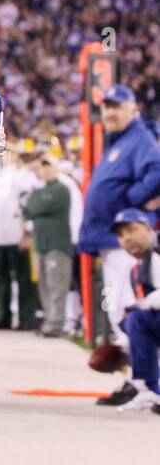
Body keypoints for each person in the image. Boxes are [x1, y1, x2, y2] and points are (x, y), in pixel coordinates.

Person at [77, 85, 160, 406]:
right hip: (108, 240)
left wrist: (129, 206)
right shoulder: (120, 143)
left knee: (127, 309)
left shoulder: (139, 139)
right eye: (106, 106)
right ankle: (135, 379)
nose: (109, 112)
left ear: (133, 109)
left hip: (123, 241)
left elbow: (156, 172)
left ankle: (143, 382)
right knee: (118, 310)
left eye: (116, 106)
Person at [108, 208, 160, 412]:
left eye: (131, 230)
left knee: (137, 319)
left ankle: (149, 388)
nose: (126, 239)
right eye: (121, 235)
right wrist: (121, 347)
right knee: (130, 322)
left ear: (148, 228)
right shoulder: (137, 267)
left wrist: (141, 306)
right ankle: (148, 389)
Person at [0, 149, 38, 330]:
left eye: (7, 153)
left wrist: (28, 231)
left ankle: (26, 317)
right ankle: (2, 316)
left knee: (23, 279)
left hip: (17, 235)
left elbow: (29, 204)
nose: (4, 157)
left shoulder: (24, 177)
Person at [22, 151, 74, 336]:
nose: (45, 170)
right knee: (43, 284)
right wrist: (33, 208)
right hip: (41, 243)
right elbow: (28, 211)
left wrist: (34, 208)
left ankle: (56, 323)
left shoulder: (62, 188)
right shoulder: (38, 189)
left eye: (48, 166)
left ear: (56, 168)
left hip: (57, 244)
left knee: (56, 285)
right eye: (43, 166)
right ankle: (49, 321)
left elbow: (35, 208)